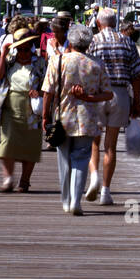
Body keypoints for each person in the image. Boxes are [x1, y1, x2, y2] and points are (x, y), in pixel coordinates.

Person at [42, 24, 111, 215]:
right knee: (81, 159)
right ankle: (76, 201)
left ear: (71, 41)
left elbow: (47, 91)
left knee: (63, 159)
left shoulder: (58, 60)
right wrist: (88, 98)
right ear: (89, 43)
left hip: (62, 117)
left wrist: (45, 116)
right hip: (87, 119)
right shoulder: (97, 64)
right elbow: (108, 94)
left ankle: (66, 201)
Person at [85, 8, 140, 206]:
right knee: (110, 146)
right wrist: (137, 102)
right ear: (116, 23)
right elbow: (137, 75)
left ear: (99, 24)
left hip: (97, 95)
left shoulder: (92, 42)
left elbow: (85, 70)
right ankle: (105, 192)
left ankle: (93, 177)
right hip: (119, 95)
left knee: (94, 142)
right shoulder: (127, 42)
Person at [0, 27, 43, 192]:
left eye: (26, 49)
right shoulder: (10, 60)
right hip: (10, 105)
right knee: (7, 143)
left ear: (31, 47)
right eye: (19, 49)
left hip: (32, 106)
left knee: (31, 145)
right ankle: (8, 178)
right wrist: (3, 53)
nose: (23, 53)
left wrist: (40, 92)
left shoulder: (40, 63)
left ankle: (24, 181)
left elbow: (50, 85)